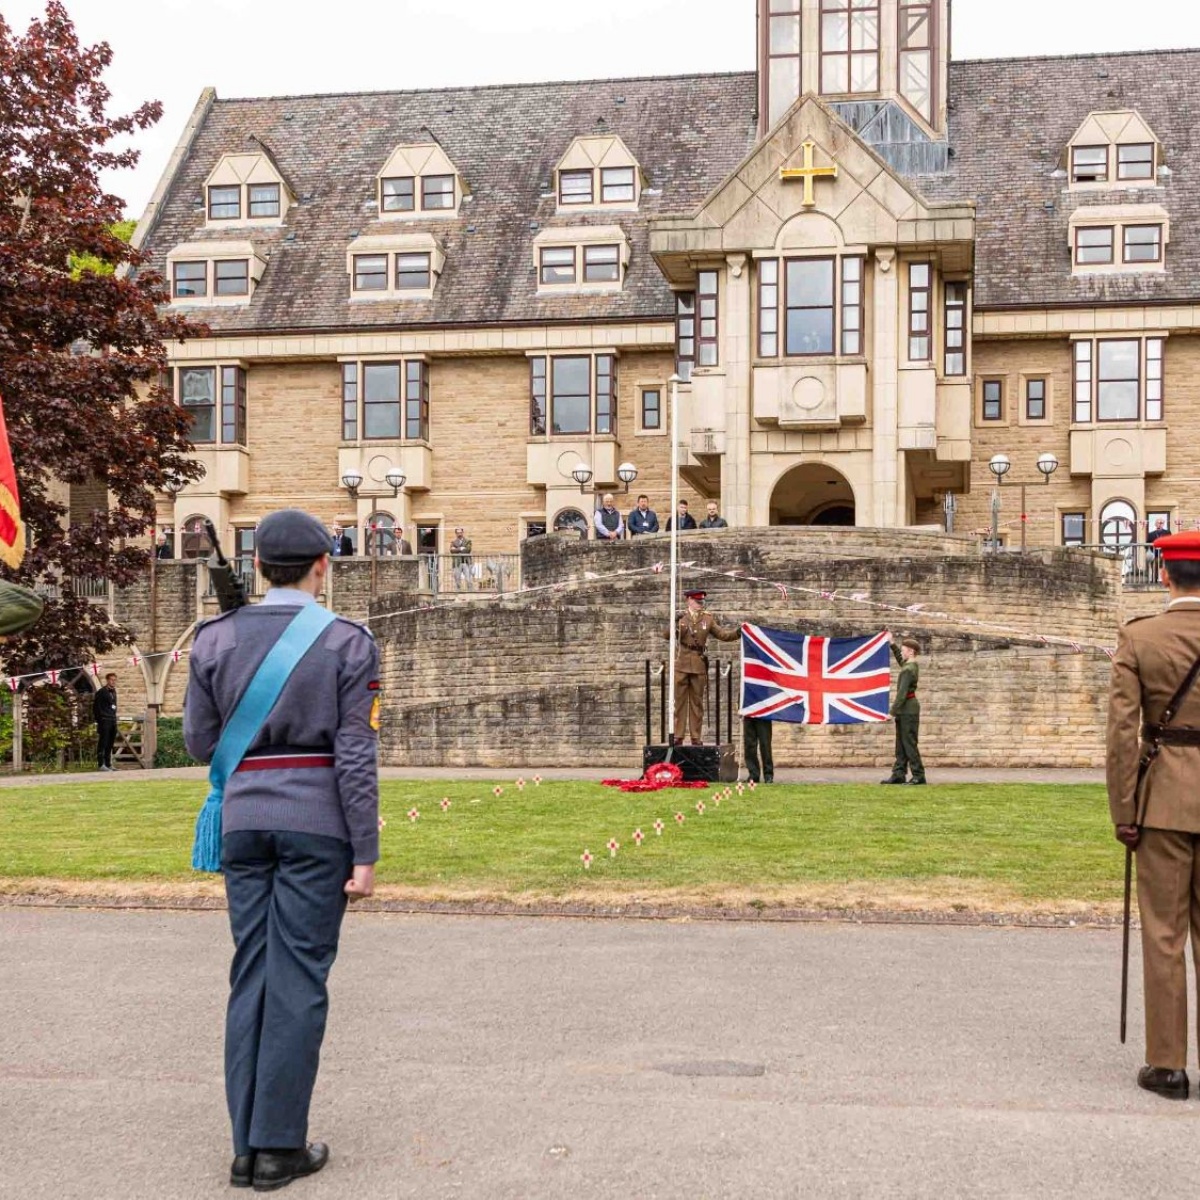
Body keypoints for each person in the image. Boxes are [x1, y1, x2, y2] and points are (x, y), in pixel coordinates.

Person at [183, 509, 380, 1191]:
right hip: (316, 822)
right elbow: (354, 754)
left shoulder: (213, 640)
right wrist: (366, 848)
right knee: (298, 978)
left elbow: (202, 746)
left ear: (260, 566)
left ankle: (246, 1145)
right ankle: (277, 1147)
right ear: (324, 564)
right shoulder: (348, 643)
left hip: (242, 821)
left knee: (253, 974)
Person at [1107, 531, 1200, 1102]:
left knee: (1165, 934)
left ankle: (1167, 1066)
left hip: (1163, 798)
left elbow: (1121, 734)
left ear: (1165, 575)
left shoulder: (1141, 636)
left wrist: (1124, 810)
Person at [668, 590, 740, 744]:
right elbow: (667, 635)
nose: (699, 604)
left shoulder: (707, 618)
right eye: (696, 601)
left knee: (697, 703)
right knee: (679, 702)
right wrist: (673, 622)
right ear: (688, 600)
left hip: (699, 665)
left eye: (701, 602)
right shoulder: (681, 618)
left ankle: (695, 736)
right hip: (681, 664)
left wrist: (739, 632)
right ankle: (678, 736)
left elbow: (723, 635)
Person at [881, 637, 925, 785]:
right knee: (900, 744)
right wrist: (892, 644)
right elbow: (901, 661)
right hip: (905, 710)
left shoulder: (908, 670)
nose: (902, 651)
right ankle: (899, 773)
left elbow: (902, 694)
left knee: (909, 743)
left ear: (911, 652)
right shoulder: (910, 665)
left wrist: (891, 712)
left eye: (903, 649)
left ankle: (918, 775)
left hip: (908, 710)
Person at [93, 673, 118, 771]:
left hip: (112, 719)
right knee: (103, 742)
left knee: (110, 743)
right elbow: (96, 708)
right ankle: (101, 764)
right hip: (104, 720)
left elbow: (113, 706)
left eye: (115, 680)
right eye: (111, 680)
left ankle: (108, 763)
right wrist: (100, 720)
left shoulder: (114, 692)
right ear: (107, 680)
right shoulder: (101, 692)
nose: (113, 682)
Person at [743, 715, 774, 784]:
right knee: (749, 745)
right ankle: (753, 775)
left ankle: (768, 775)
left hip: (763, 713)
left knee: (765, 744)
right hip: (749, 713)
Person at [450, 526, 473, 591]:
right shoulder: (453, 542)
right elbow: (451, 551)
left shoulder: (468, 541)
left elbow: (468, 549)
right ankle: (458, 592)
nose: (459, 534)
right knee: (457, 579)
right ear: (456, 534)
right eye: (458, 533)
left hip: (466, 562)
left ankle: (470, 592)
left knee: (468, 579)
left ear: (463, 533)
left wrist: (456, 549)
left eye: (460, 532)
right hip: (457, 563)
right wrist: (461, 548)